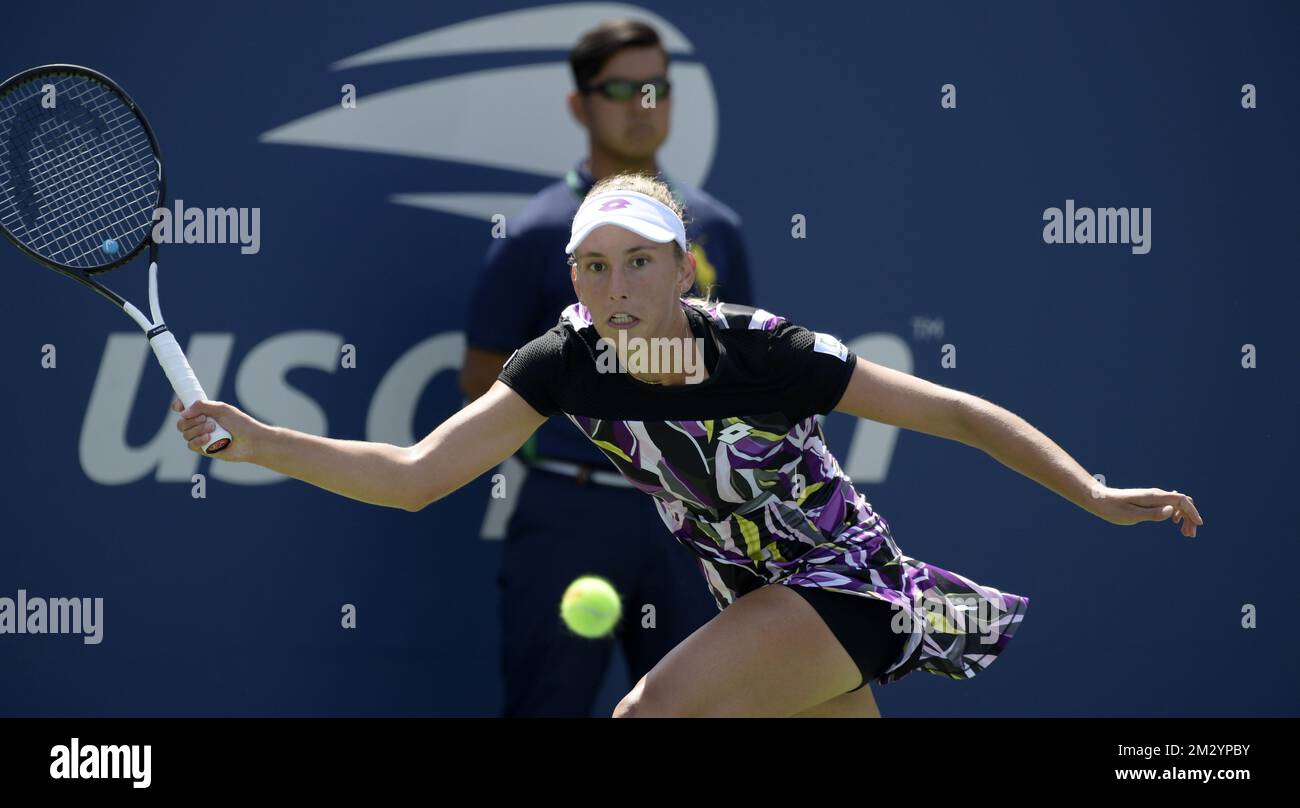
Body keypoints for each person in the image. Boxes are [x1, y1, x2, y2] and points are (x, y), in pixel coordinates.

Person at [171, 173, 1203, 718]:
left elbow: (960, 415)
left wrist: (1095, 493)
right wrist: (265, 444)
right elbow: (413, 477)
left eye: (634, 263)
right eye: (590, 267)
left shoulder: (767, 353)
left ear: (682, 270)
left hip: (848, 582)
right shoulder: (563, 361)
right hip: (755, 602)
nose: (611, 290)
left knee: (649, 713)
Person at [459, 18, 753, 716]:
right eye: (620, 88)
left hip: (694, 516)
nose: (641, 105)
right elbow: (480, 378)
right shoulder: (537, 233)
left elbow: (740, 371)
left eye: (656, 88)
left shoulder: (716, 230)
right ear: (579, 105)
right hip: (571, 510)